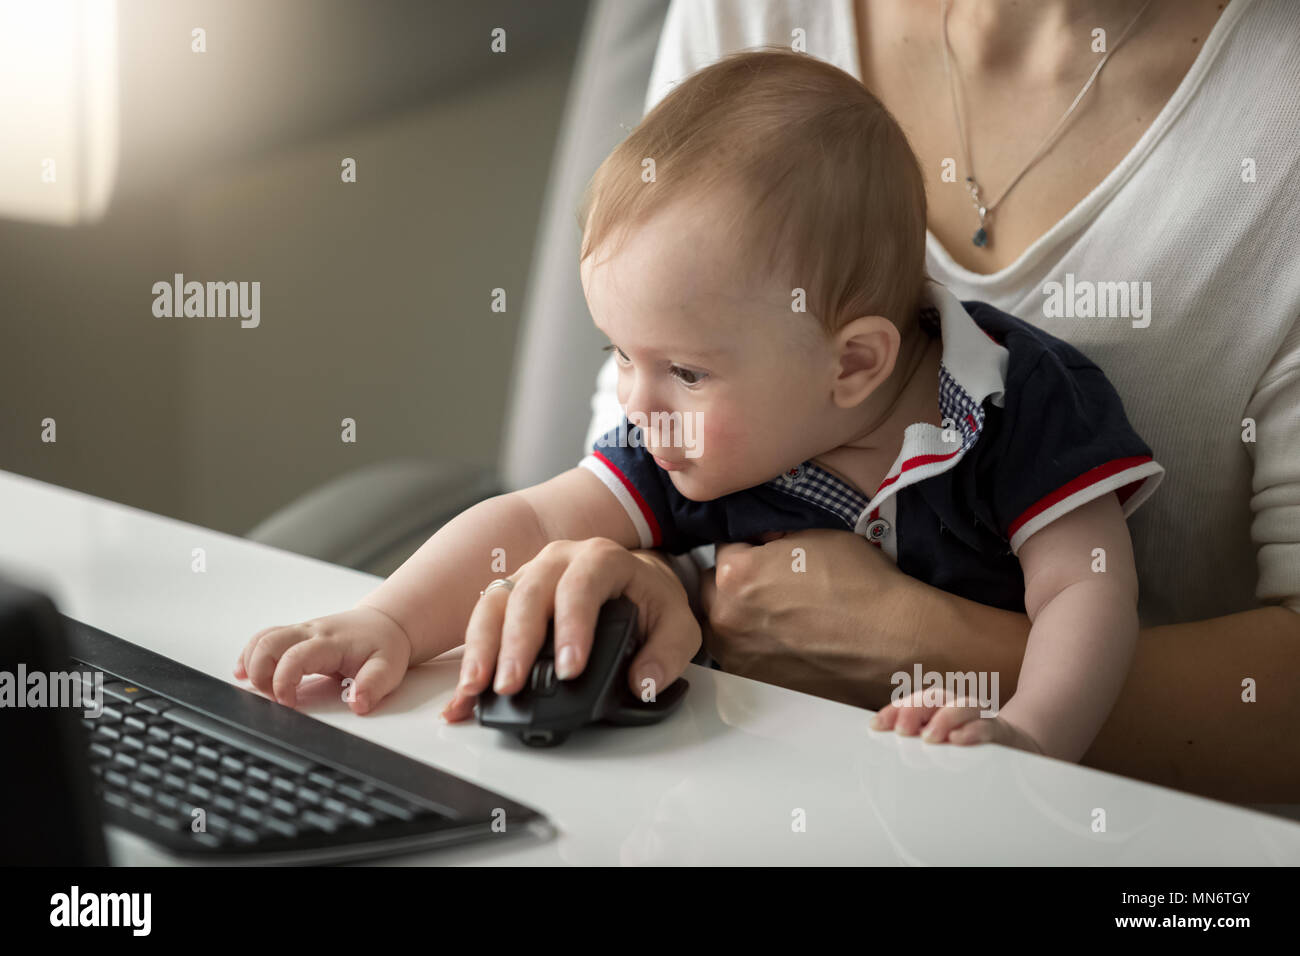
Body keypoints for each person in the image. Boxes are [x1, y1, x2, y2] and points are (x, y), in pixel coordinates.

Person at [237, 46, 1164, 765]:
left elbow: (1086, 588)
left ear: (852, 364)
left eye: (683, 369)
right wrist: (391, 623)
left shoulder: (1018, 403)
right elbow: (530, 518)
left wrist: (1036, 742)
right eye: (618, 356)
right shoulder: (689, 441)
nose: (636, 402)